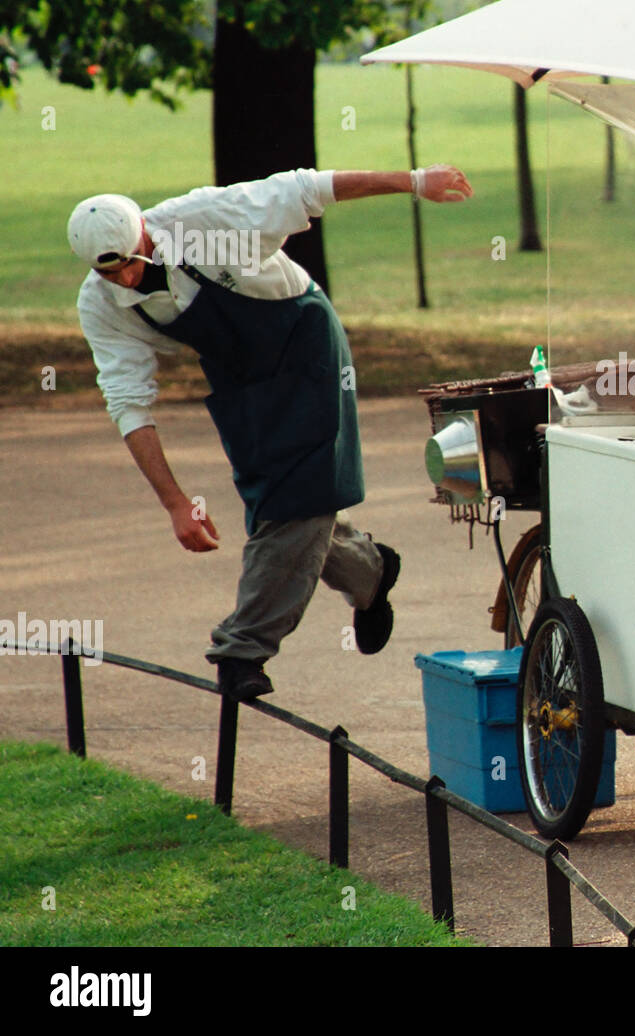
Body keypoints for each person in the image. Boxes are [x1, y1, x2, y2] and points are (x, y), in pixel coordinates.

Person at [68, 166, 474, 700]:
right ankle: (369, 571)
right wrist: (173, 502)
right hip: (237, 372)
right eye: (111, 273)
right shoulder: (100, 306)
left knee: (299, 502)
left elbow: (310, 187)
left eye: (132, 263)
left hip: (304, 342)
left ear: (145, 230)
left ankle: (241, 650)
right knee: (276, 500)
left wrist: (415, 181)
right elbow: (128, 402)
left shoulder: (205, 219)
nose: (126, 280)